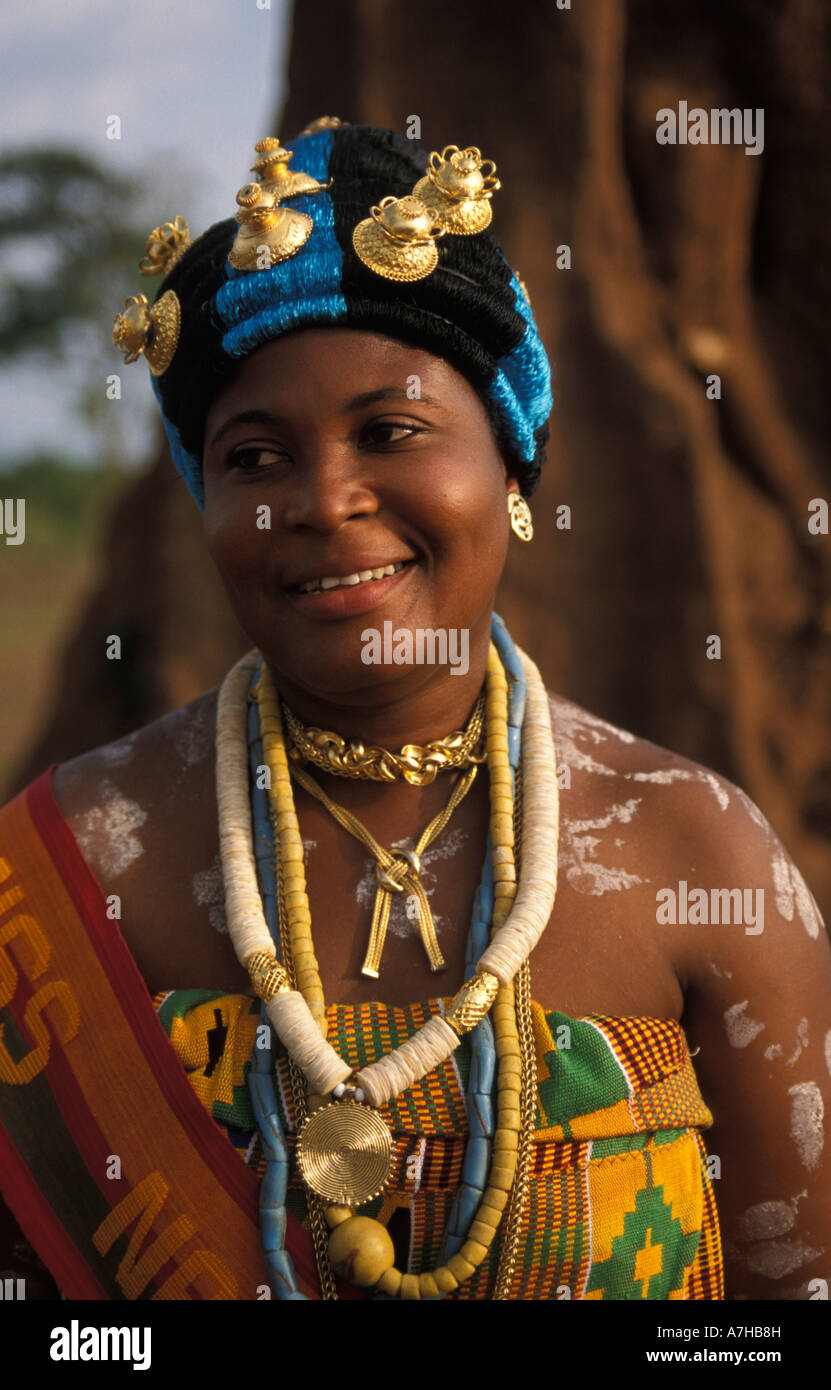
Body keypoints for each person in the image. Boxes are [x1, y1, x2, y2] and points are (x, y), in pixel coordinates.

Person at [0, 121, 828, 1303]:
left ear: (511, 462)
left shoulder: (699, 852)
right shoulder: (75, 864)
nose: (325, 500)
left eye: (390, 433)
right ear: (207, 502)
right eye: (255, 456)